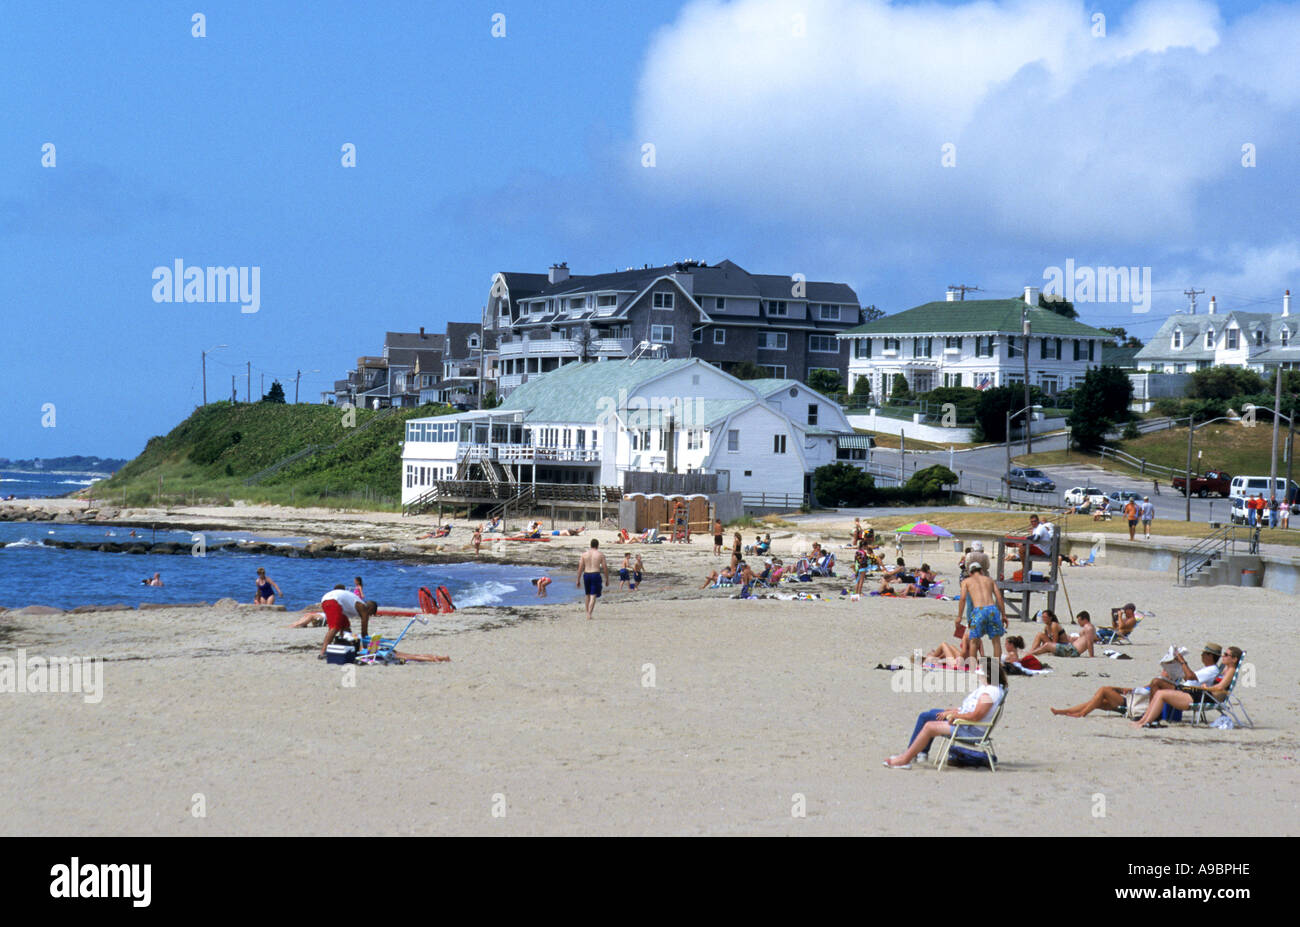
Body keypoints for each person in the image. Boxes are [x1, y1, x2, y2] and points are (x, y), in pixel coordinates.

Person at [884, 658, 1007, 768]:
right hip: (967, 724)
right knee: (931, 714)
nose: (978, 676)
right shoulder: (991, 688)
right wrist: (953, 711)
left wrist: (955, 715)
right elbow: (972, 710)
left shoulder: (989, 693)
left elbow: (975, 716)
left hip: (969, 729)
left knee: (928, 723)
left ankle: (906, 758)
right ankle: (916, 753)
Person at [1051, 643, 1224, 717]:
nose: (1201, 655)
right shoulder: (1206, 670)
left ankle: (1080, 713)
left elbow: (1189, 678)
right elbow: (1188, 680)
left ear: (1210, 656)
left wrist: (1181, 661)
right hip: (1148, 694)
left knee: (1104, 691)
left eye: (1203, 653)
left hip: (1144, 702)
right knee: (1101, 699)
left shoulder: (1211, 671)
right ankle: (1065, 711)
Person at [1132, 646, 1242, 728]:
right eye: (1224, 654)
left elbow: (1219, 688)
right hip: (1202, 694)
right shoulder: (1225, 670)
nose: (1223, 656)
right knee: (1159, 692)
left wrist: (1205, 688)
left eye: (1226, 655)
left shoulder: (1231, 671)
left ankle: (1147, 722)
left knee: (1161, 694)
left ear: (1234, 659)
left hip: (1205, 696)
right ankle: (1144, 721)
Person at [956, 561, 1006, 661]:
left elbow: (962, 599)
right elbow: (999, 597)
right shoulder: (990, 580)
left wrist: (959, 616)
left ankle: (973, 669)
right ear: (981, 571)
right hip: (992, 609)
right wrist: (1004, 615)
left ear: (970, 573)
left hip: (979, 611)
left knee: (974, 641)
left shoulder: (966, 581)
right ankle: (996, 669)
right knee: (996, 641)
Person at [316, 585, 376, 659]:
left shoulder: (359, 603)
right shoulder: (363, 608)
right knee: (334, 627)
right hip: (332, 600)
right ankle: (323, 652)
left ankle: (342, 646)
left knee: (346, 627)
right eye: (371, 613)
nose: (369, 615)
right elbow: (364, 632)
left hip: (330, 600)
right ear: (370, 608)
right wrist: (366, 648)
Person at [1027, 610, 1097, 658]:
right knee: (1044, 641)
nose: (1078, 623)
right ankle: (1032, 652)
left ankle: (1030, 654)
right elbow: (1089, 640)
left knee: (1047, 645)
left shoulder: (1088, 628)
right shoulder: (1089, 628)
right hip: (1071, 648)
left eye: (1079, 620)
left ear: (1084, 619)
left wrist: (1091, 656)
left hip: (1072, 651)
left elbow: (1089, 642)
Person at [576, 538, 609, 620]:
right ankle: (589, 614)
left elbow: (580, 567)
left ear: (590, 545)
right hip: (595, 574)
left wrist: (578, 579)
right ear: (597, 545)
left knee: (587, 594)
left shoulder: (584, 554)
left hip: (586, 574)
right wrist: (607, 578)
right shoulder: (600, 554)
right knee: (593, 595)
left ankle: (587, 613)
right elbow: (605, 567)